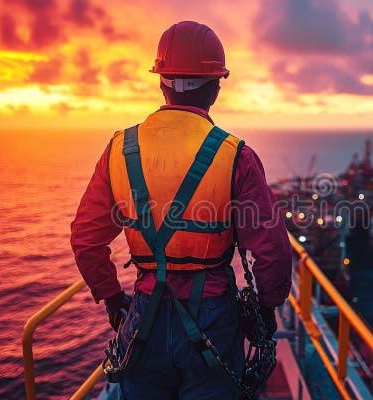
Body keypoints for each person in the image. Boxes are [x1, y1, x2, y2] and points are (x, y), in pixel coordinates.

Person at [70, 20, 292, 399]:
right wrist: (266, 308)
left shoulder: (120, 150)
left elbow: (85, 240)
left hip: (142, 322)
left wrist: (111, 296)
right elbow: (272, 251)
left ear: (161, 82)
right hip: (213, 320)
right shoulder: (236, 156)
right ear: (216, 87)